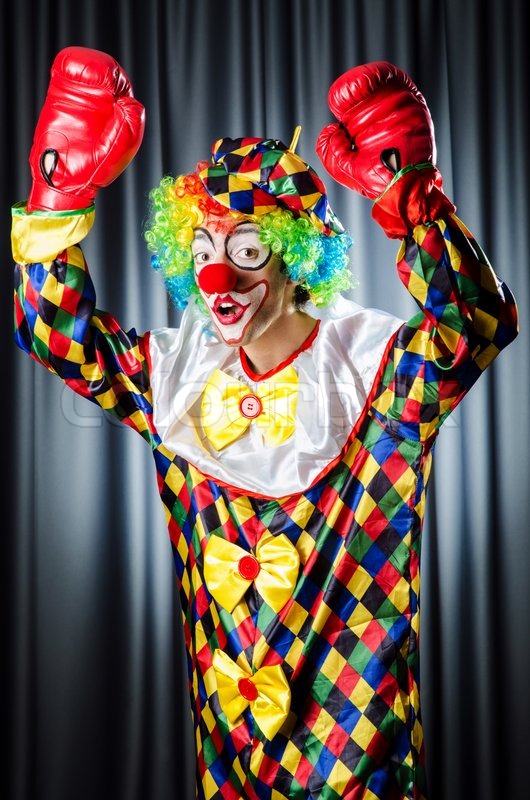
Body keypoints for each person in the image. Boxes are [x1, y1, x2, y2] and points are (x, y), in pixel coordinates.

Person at [12, 47, 518, 800]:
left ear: (295, 260)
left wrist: (413, 199)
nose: (220, 277)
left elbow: (475, 324)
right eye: (206, 251)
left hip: (358, 766)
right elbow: (59, 338)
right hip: (228, 765)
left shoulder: (375, 376)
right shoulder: (174, 377)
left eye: (248, 251)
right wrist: (56, 197)